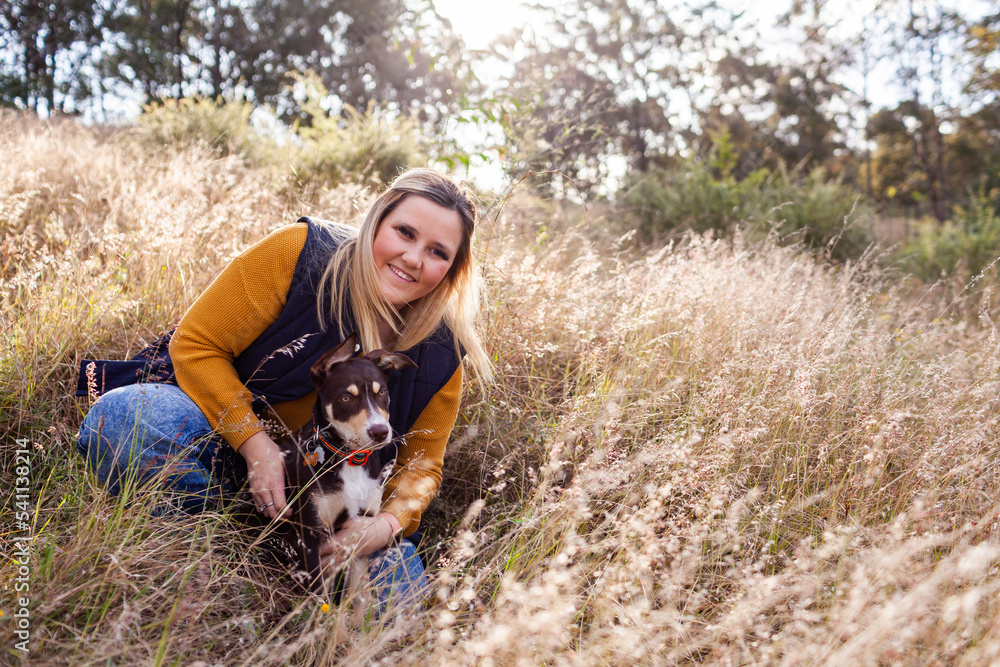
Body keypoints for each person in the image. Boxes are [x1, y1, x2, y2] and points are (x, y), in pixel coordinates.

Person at [75, 167, 492, 610]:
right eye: (404, 232)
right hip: (220, 449)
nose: (412, 258)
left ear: (452, 269)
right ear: (376, 221)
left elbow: (422, 465)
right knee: (125, 420)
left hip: (331, 505)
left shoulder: (443, 353)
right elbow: (197, 345)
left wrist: (385, 526)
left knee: (396, 605)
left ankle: (294, 565)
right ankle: (211, 563)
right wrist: (256, 446)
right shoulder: (300, 254)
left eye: (437, 252)